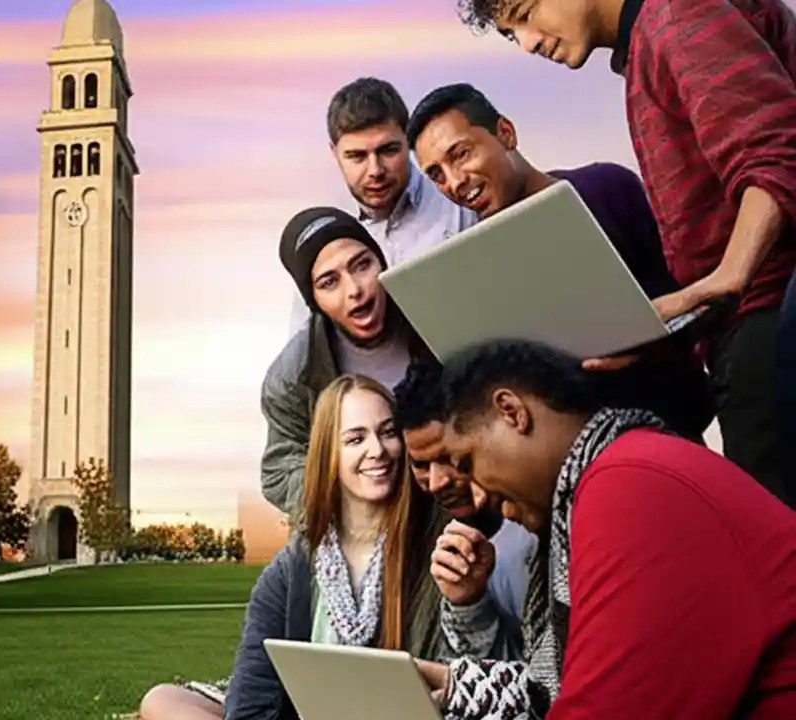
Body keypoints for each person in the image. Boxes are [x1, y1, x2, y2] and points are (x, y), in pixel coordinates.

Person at [451, 0, 796, 504]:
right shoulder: (649, 42)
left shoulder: (678, 12)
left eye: (526, 13)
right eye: (511, 34)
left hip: (768, 320)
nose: (528, 42)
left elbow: (775, 154)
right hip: (742, 330)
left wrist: (728, 275)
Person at [413, 338, 796, 719]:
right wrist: (460, 688)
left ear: (511, 412)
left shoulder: (630, 486)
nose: (477, 494)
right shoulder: (618, 474)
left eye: (468, 463)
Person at [404, 82, 715, 442]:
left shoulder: (607, 188)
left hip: (671, 425)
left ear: (506, 133)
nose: (454, 182)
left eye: (460, 154)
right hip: (569, 452)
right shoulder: (475, 265)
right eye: (436, 175)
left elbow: (691, 299)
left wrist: (647, 345)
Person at [142, 375, 445, 719]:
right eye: (356, 439)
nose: (377, 450)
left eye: (388, 432)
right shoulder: (295, 564)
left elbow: (457, 674)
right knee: (163, 701)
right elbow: (251, 695)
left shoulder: (433, 544)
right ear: (328, 454)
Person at [262, 206, 432, 515]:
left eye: (362, 265)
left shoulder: (433, 320)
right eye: (329, 282)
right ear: (314, 301)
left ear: (382, 262)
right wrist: (349, 492)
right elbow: (278, 473)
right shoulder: (292, 377)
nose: (354, 290)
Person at [289, 77, 477, 333]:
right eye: (357, 157)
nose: (375, 170)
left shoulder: (461, 200)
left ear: (408, 140)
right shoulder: (321, 238)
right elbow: (303, 341)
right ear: (334, 152)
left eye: (388, 150)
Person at [394, 360, 535, 663]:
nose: (436, 482)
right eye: (420, 465)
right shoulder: (423, 539)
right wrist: (468, 605)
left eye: (449, 458)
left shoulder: (542, 528)